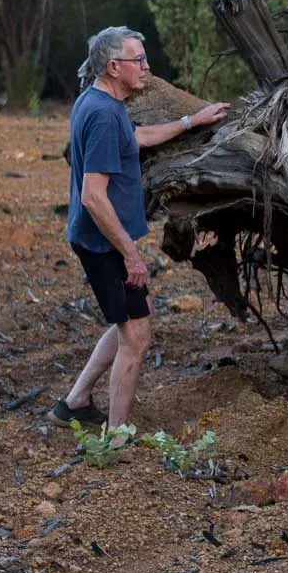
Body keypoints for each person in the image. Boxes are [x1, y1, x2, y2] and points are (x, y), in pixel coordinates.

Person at [53, 27, 230, 428]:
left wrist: (190, 120)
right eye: (139, 60)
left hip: (102, 239)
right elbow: (93, 196)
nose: (147, 68)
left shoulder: (101, 101)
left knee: (135, 317)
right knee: (136, 337)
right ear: (114, 67)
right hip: (102, 243)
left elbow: (136, 137)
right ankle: (116, 438)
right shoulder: (100, 114)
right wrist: (131, 255)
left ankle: (76, 400)